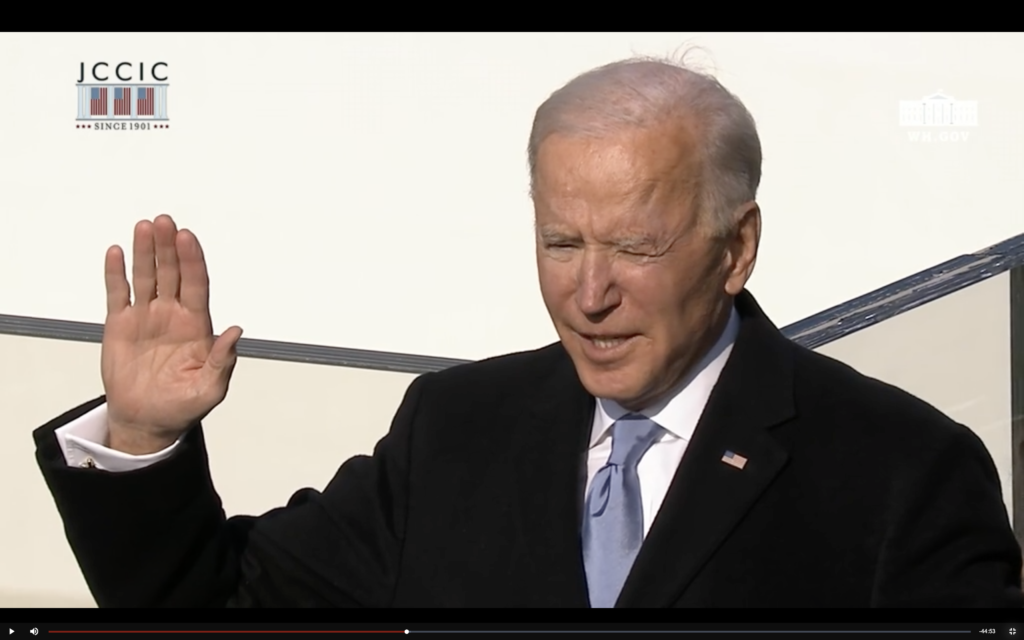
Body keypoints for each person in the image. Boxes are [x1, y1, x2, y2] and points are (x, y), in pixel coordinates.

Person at [33, 56, 1023, 608]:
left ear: (736, 246)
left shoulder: (902, 470)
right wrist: (143, 439)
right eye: (559, 240)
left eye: (634, 246)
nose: (586, 293)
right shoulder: (456, 427)